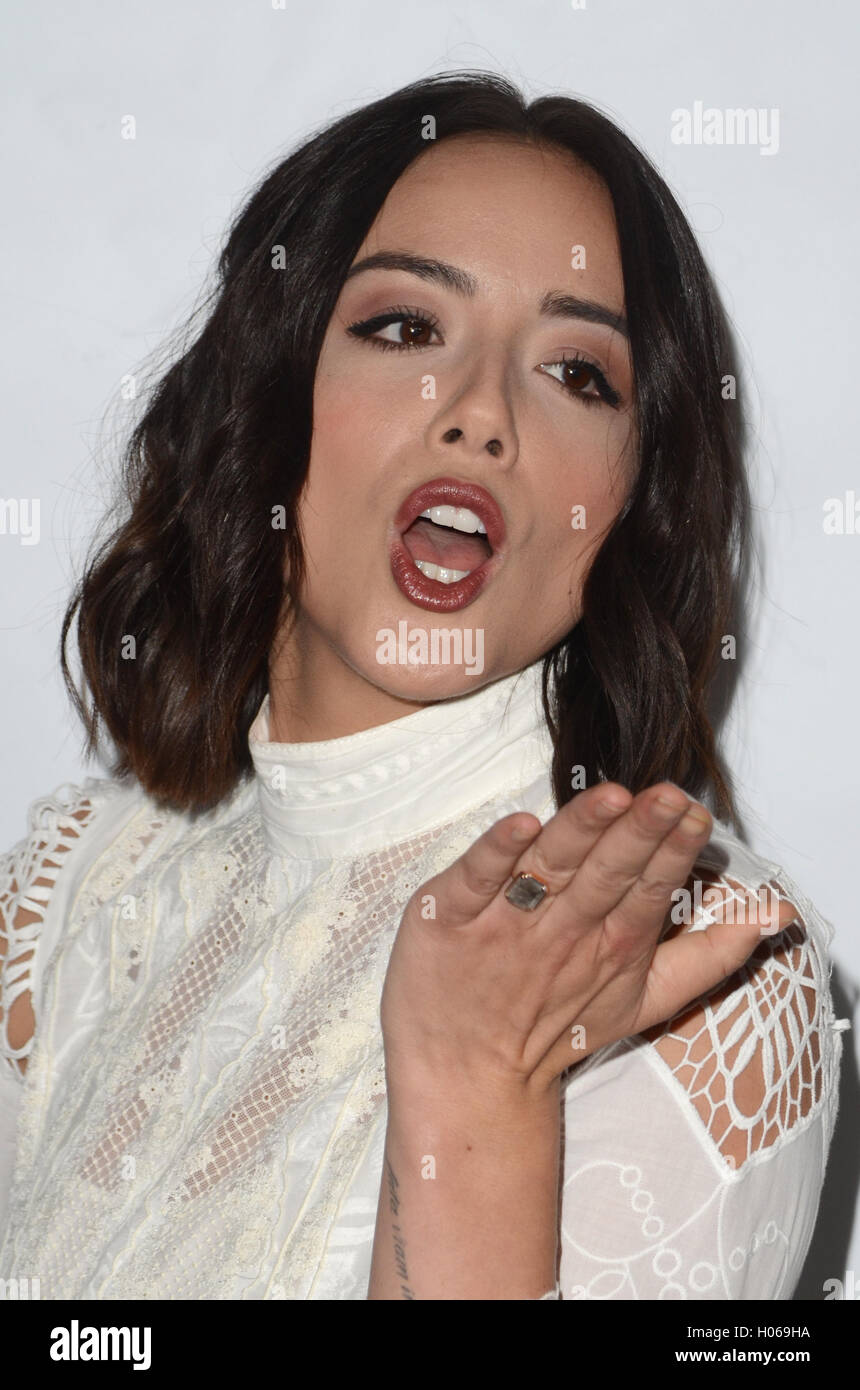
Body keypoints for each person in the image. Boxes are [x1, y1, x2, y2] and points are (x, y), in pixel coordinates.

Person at [0, 71, 845, 1300]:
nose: (481, 415)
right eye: (404, 329)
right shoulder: (72, 892)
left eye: (578, 374)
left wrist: (470, 1096)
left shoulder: (702, 961)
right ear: (269, 393)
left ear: (624, 504)